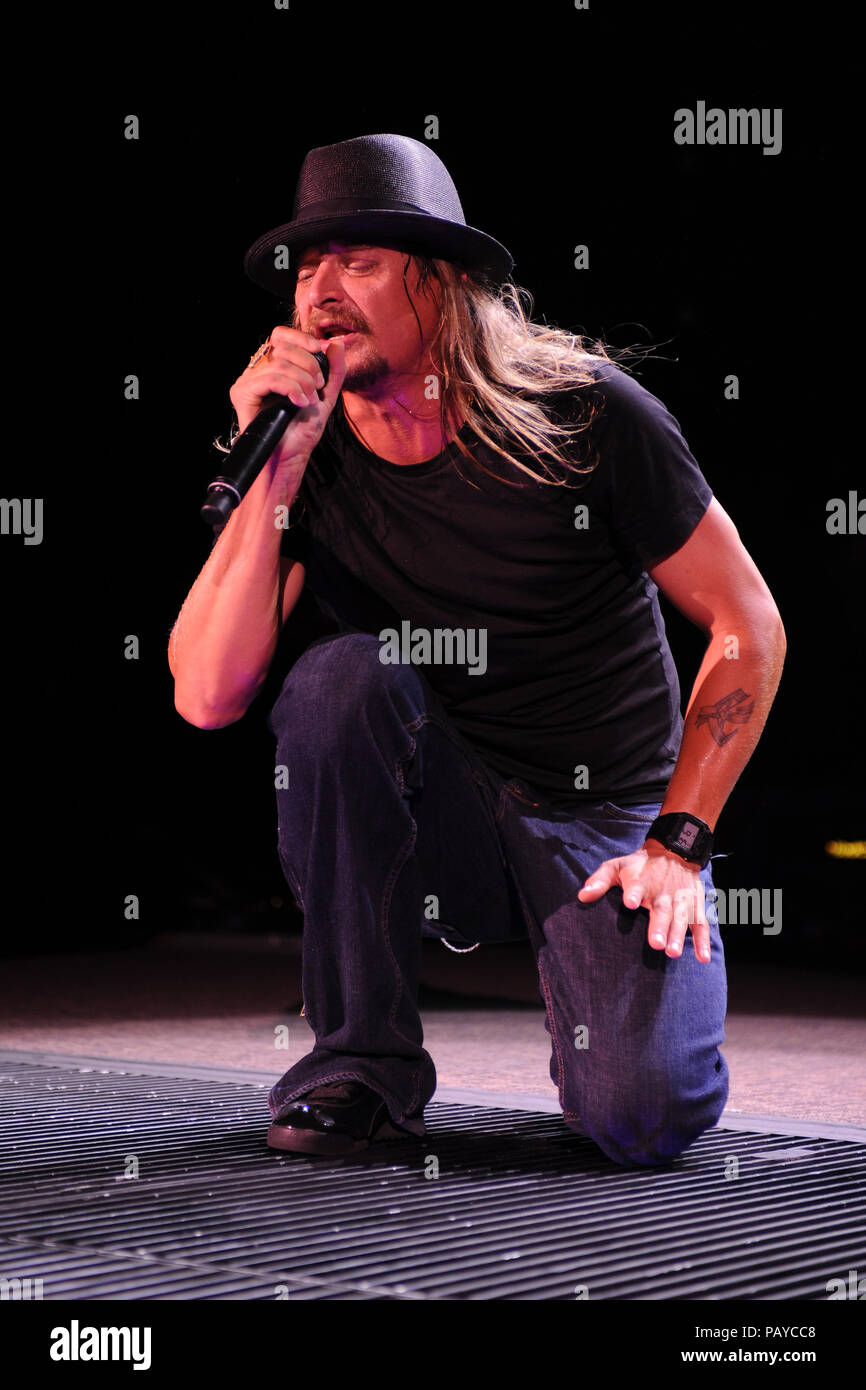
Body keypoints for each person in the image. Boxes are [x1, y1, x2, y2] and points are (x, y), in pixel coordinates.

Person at [168, 134, 786, 1168]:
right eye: (307, 267)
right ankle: (358, 1068)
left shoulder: (585, 413)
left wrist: (678, 840)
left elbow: (747, 623)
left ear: (444, 283)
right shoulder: (305, 449)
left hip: (599, 817)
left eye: (358, 262)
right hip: (440, 807)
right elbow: (205, 693)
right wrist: (273, 475)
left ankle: (615, 993)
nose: (320, 290)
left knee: (643, 1117)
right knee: (337, 683)